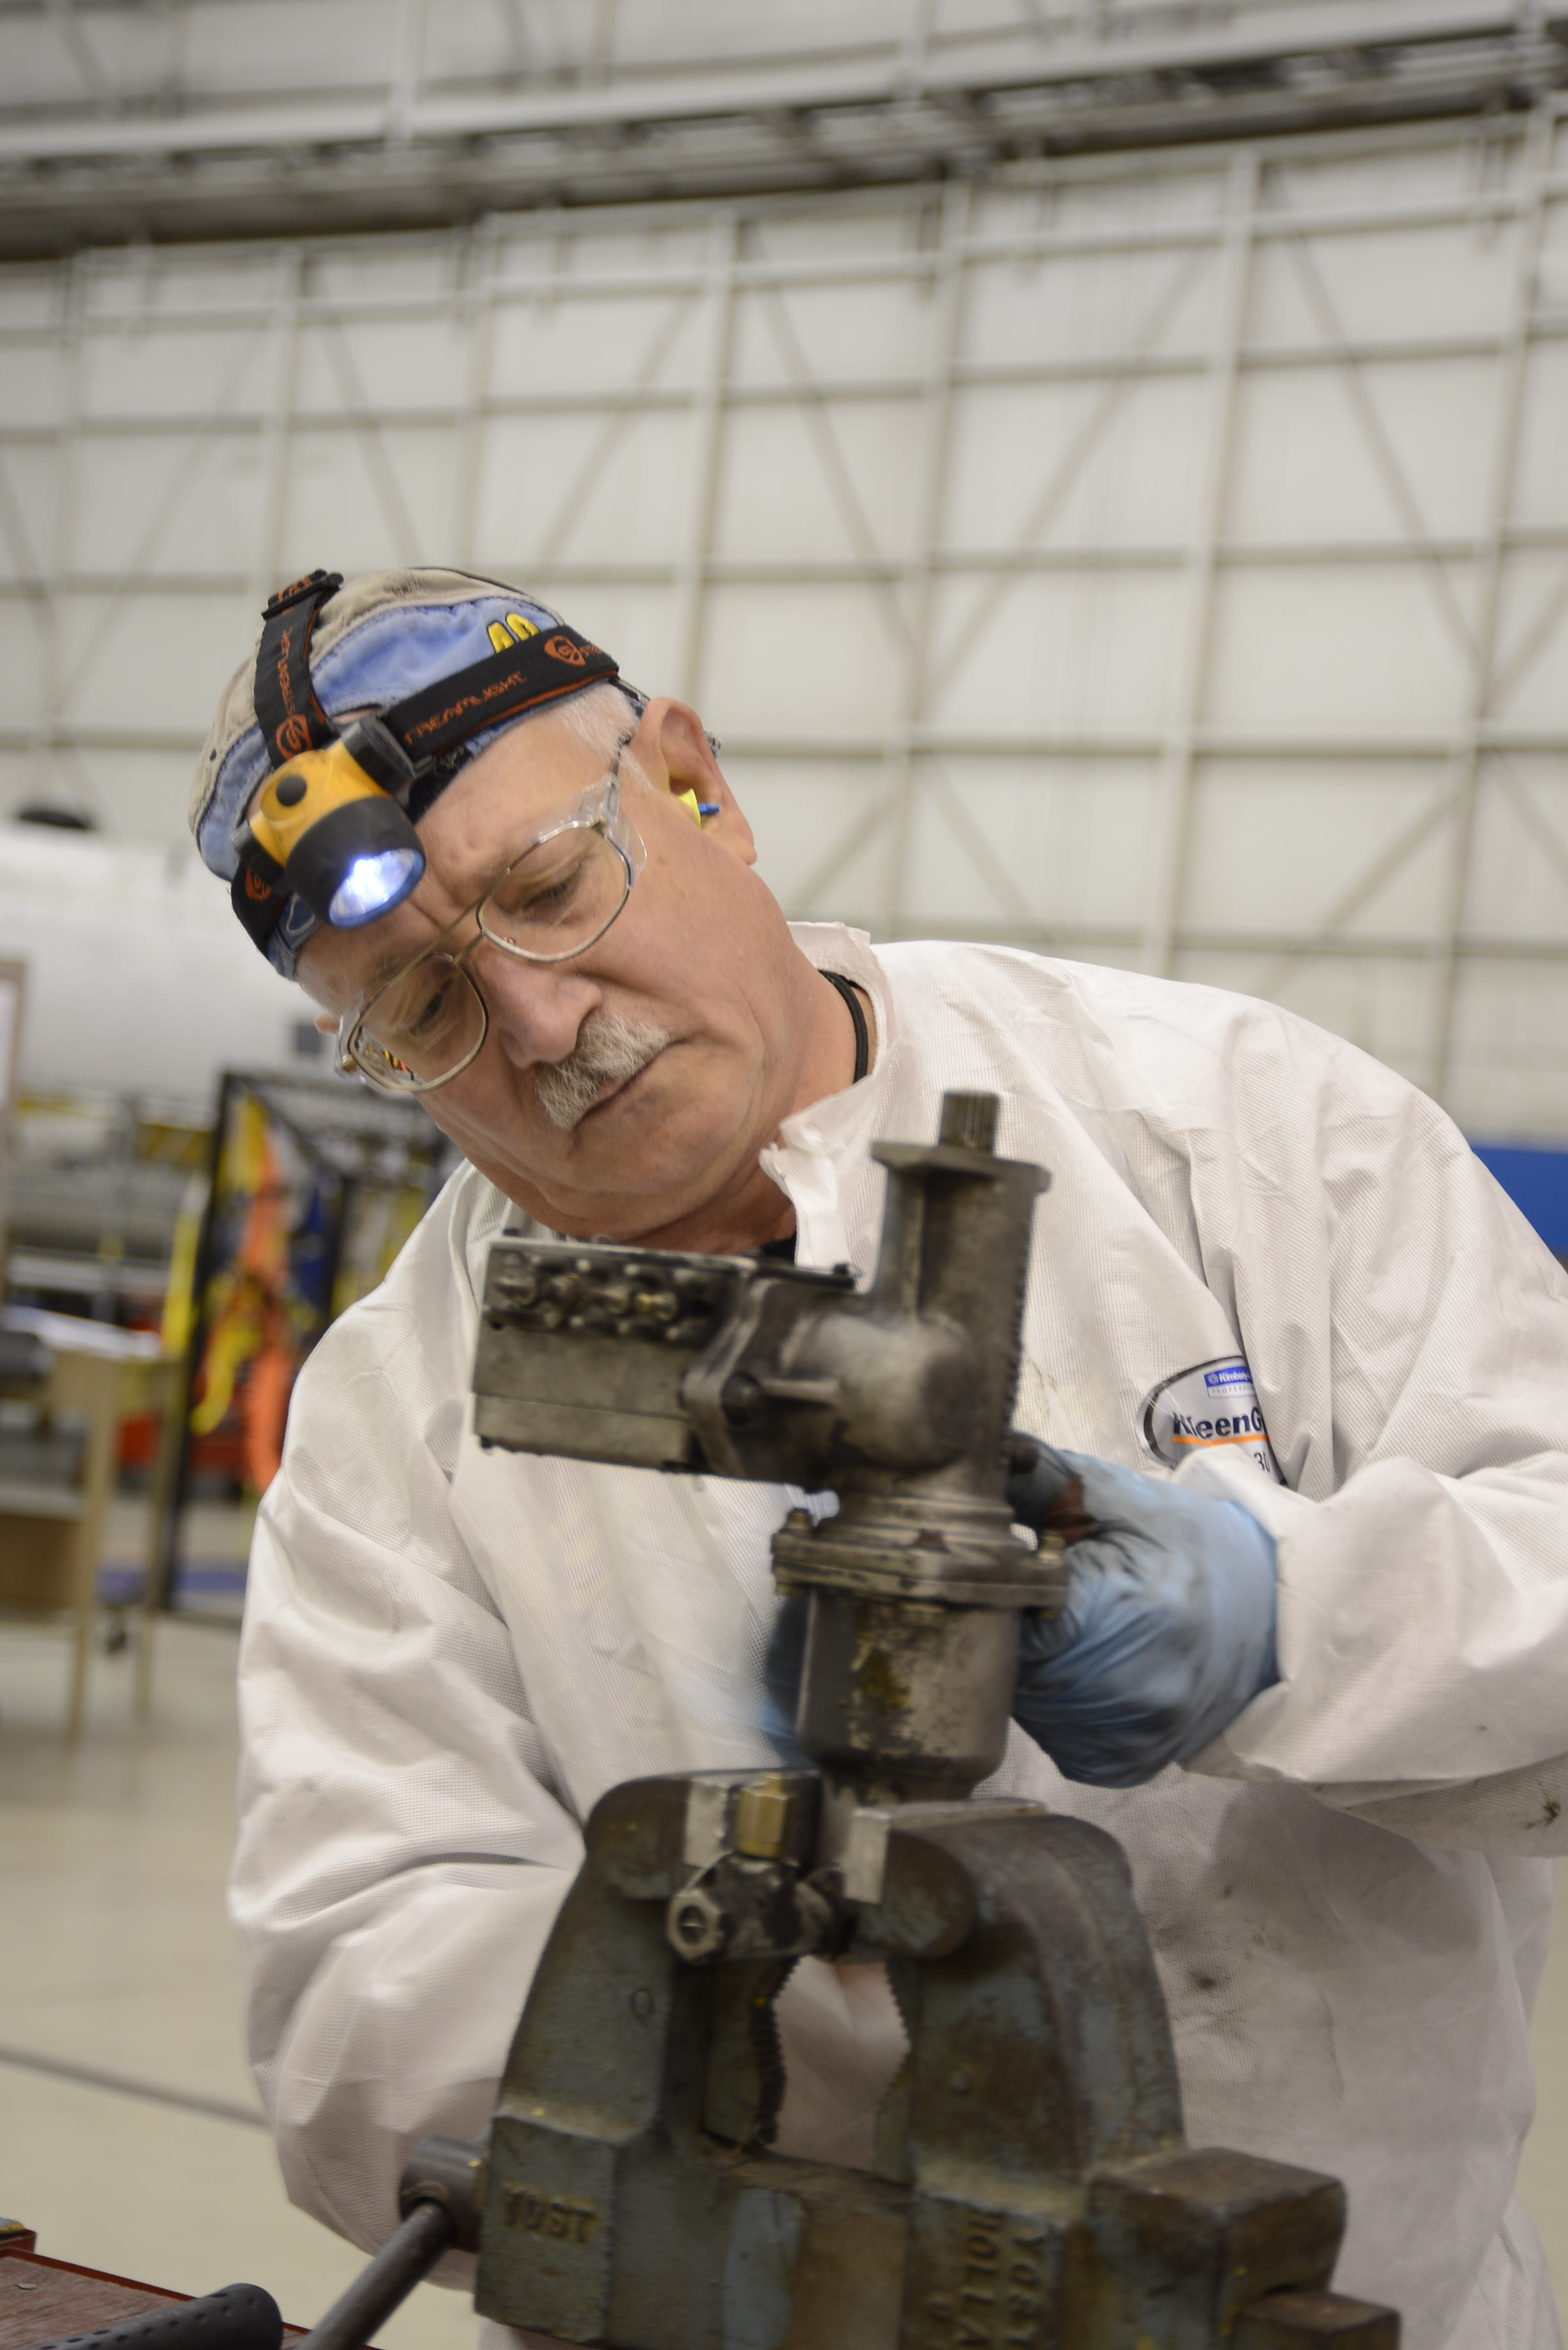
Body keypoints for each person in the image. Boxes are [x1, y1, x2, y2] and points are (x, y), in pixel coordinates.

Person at [193, 567, 1568, 2350]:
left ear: (695, 783)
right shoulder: (405, 1408)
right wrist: (734, 1980)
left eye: (548, 888)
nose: (542, 1029)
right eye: (425, 1014)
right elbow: (353, 1997)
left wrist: (1292, 1621)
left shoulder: (1230, 1129)